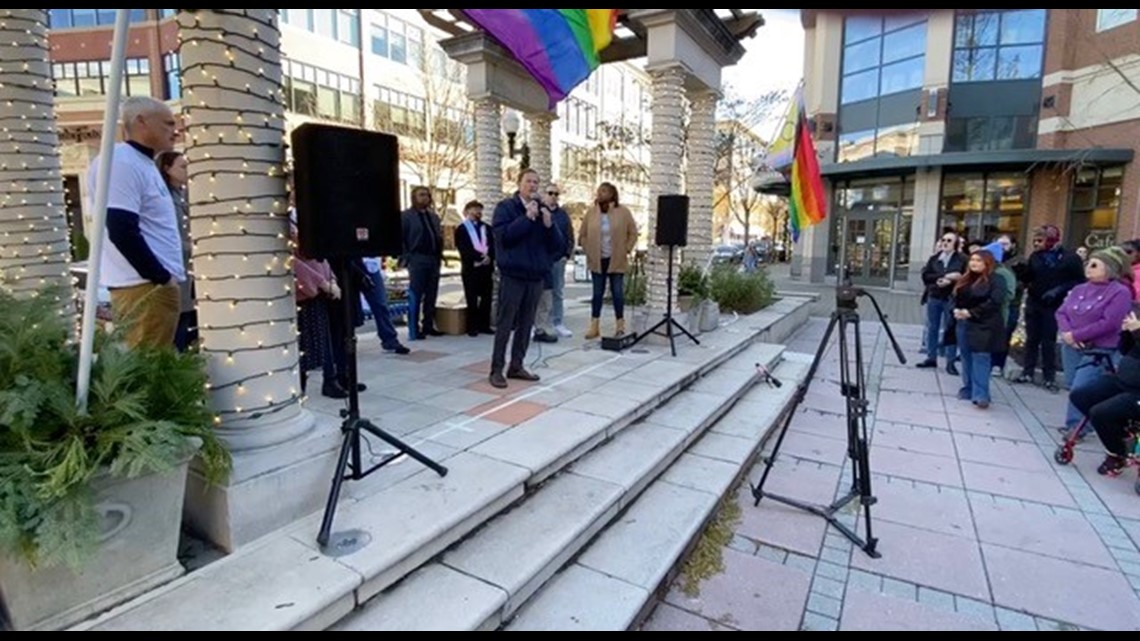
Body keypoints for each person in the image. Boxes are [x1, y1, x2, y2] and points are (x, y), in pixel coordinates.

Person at [88, 96, 183, 349]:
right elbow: (121, 228)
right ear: (141, 122)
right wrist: (159, 276)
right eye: (168, 123)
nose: (175, 131)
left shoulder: (142, 163)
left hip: (148, 286)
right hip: (143, 287)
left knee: (156, 364)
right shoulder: (123, 162)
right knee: (148, 367)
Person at [488, 169, 566, 389]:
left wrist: (549, 226)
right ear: (519, 184)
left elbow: (558, 246)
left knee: (526, 323)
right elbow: (504, 238)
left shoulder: (543, 210)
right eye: (529, 181)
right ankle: (496, 369)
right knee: (506, 323)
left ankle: (517, 365)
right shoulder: (506, 208)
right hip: (513, 275)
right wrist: (526, 219)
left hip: (535, 276)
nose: (533, 186)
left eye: (536, 182)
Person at [1056, 247, 1131, 435]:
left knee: (1082, 387)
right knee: (1072, 384)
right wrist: (1067, 333)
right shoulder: (1079, 288)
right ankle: (1078, 423)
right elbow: (1062, 311)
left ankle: (1077, 428)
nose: (1088, 267)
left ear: (1110, 268)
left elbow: (1110, 322)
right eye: (1088, 263)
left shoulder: (1119, 292)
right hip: (1072, 346)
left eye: (1095, 264)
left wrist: (1077, 335)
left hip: (1099, 349)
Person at [1014, 225, 1086, 392]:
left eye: (1040, 240)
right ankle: (1027, 372)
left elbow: (1078, 281)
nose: (1036, 244)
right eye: (1035, 240)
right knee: (1031, 338)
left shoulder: (1070, 258)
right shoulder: (1036, 256)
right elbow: (1029, 278)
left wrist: (1058, 290)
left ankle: (1049, 377)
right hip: (1035, 301)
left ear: (1051, 240)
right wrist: (1021, 272)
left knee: (1049, 340)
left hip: (1054, 304)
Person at [1070, 311, 1140, 477]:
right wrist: (1127, 332)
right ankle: (1122, 436)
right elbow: (1127, 350)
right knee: (1081, 396)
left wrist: (1137, 332)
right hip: (1125, 380)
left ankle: (1117, 453)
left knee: (1100, 413)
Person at [578, 182, 638, 340]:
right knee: (597, 293)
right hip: (597, 259)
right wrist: (587, 248)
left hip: (616, 258)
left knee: (617, 293)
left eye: (604, 191)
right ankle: (594, 326)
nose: (600, 193)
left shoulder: (623, 212)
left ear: (612, 194)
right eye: (599, 191)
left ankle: (620, 325)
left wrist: (626, 248)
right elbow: (582, 234)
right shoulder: (591, 213)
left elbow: (633, 232)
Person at [950, 249, 1007, 409]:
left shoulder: (997, 279)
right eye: (972, 260)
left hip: (984, 325)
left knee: (981, 358)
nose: (974, 263)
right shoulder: (965, 279)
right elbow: (955, 297)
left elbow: (995, 301)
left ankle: (981, 394)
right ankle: (968, 388)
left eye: (979, 260)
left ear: (987, 263)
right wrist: (956, 310)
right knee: (966, 357)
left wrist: (971, 312)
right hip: (963, 323)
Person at [155, 150, 196, 352]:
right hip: (177, 268)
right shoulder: (165, 198)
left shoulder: (185, 196)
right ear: (167, 169)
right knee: (179, 325)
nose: (187, 171)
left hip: (192, 272)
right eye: (182, 166)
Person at [917, 232, 966, 374]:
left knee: (950, 329)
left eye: (949, 240)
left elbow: (965, 277)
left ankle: (950, 362)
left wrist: (952, 280)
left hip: (951, 298)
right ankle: (931, 357)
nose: (945, 242)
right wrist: (944, 277)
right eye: (943, 240)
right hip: (935, 296)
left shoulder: (962, 259)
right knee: (932, 327)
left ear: (955, 244)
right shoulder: (935, 258)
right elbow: (926, 276)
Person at [533, 184, 574, 343]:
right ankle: (536, 325)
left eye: (556, 194)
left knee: (557, 292)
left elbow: (569, 236)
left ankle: (557, 322)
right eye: (550, 193)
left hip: (557, 260)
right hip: (540, 259)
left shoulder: (563, 215)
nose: (553, 196)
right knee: (538, 293)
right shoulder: (537, 212)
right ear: (544, 194)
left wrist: (566, 255)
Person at [401, 186, 444, 339]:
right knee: (416, 295)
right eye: (421, 195)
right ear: (414, 197)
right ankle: (414, 329)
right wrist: (407, 258)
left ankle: (428, 325)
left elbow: (438, 236)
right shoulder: (406, 216)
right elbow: (401, 239)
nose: (425, 198)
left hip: (433, 259)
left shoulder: (434, 217)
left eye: (427, 195)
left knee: (431, 294)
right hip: (417, 258)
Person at [454, 200, 495, 337]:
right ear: (467, 211)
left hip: (486, 268)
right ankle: (472, 326)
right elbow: (463, 248)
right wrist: (478, 258)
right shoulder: (461, 229)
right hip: (471, 268)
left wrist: (489, 257)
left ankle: (485, 325)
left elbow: (492, 245)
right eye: (475, 209)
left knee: (486, 298)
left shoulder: (486, 228)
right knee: (471, 298)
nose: (478, 212)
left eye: (479, 209)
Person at [357, 257, 410, 354]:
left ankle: (389, 340)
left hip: (371, 265)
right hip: (351, 261)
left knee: (380, 304)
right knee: (347, 306)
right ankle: (341, 344)